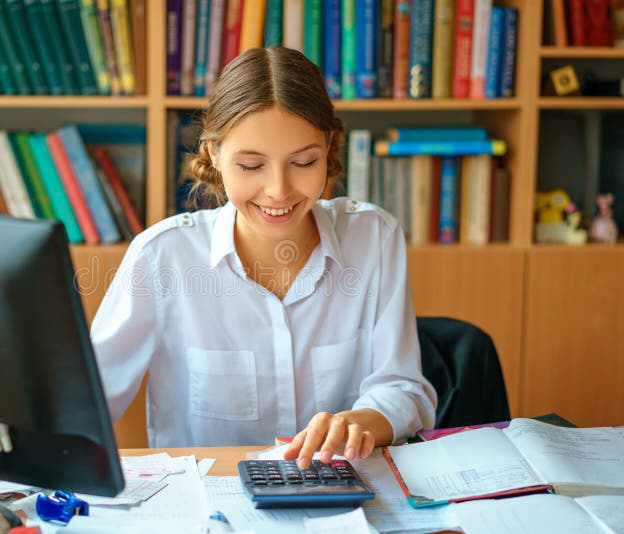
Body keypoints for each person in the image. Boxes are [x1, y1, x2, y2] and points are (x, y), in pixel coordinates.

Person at [91, 46, 436, 469]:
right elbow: (85, 404)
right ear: (214, 154)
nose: (278, 190)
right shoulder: (162, 257)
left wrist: (362, 420)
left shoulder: (374, 238)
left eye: (303, 161)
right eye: (252, 165)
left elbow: (403, 386)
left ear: (328, 148)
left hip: (344, 498)